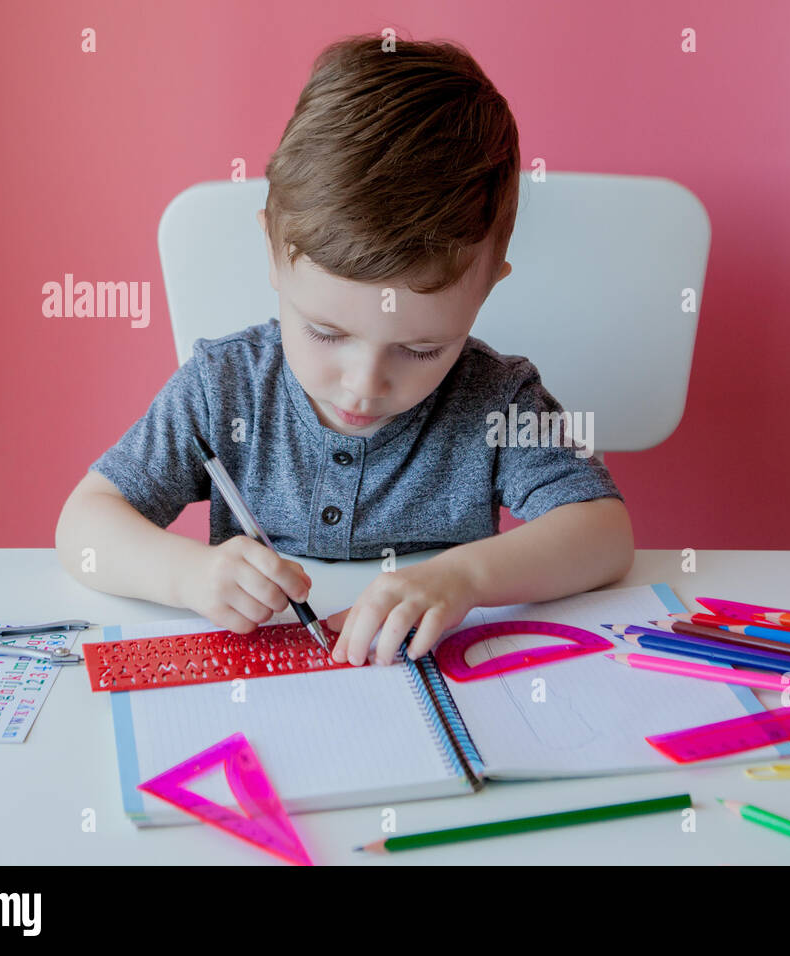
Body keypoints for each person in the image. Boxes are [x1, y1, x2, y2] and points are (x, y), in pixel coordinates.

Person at [55, 33, 632, 668]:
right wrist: (188, 575)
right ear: (273, 255)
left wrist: (465, 578)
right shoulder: (224, 387)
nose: (363, 384)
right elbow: (85, 526)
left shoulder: (496, 400)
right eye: (327, 334)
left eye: (421, 348)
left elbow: (603, 534)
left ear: (487, 290)